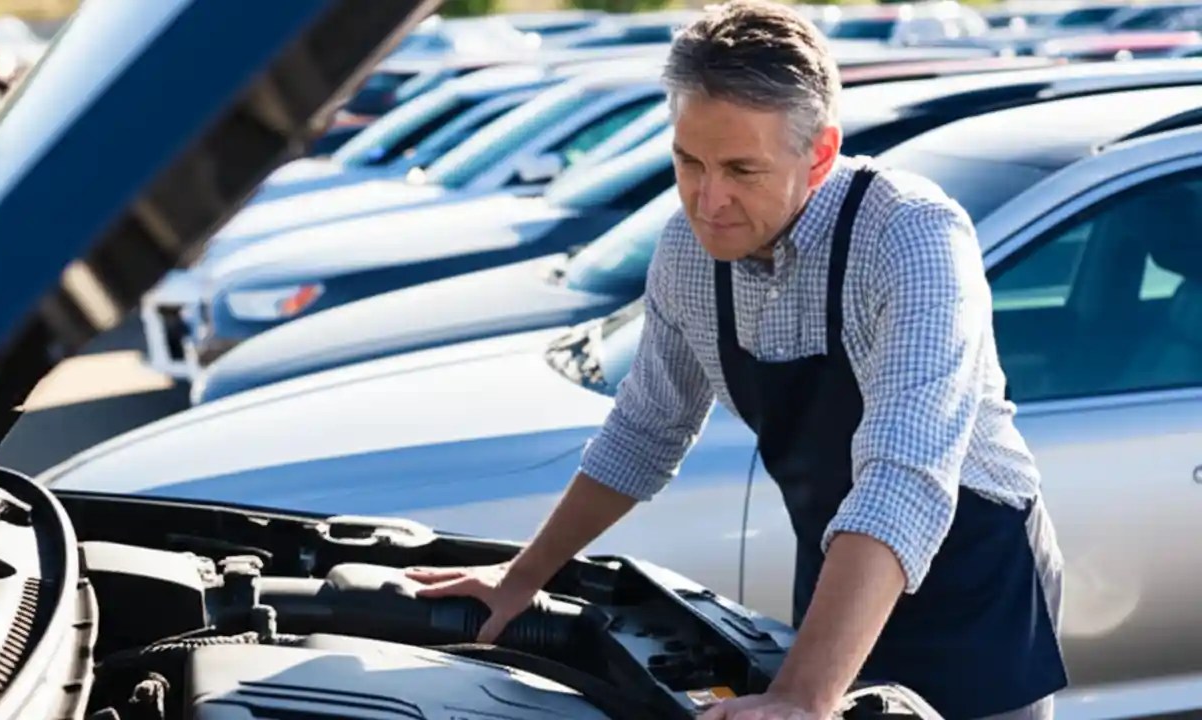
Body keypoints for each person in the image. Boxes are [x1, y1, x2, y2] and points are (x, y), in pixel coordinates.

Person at [404, 2, 1068, 718]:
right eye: (688, 161)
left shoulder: (911, 238)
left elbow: (904, 474)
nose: (707, 200)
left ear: (818, 152)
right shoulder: (689, 251)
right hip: (839, 571)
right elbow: (643, 434)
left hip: (974, 586)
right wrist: (520, 578)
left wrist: (801, 698)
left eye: (740, 169)